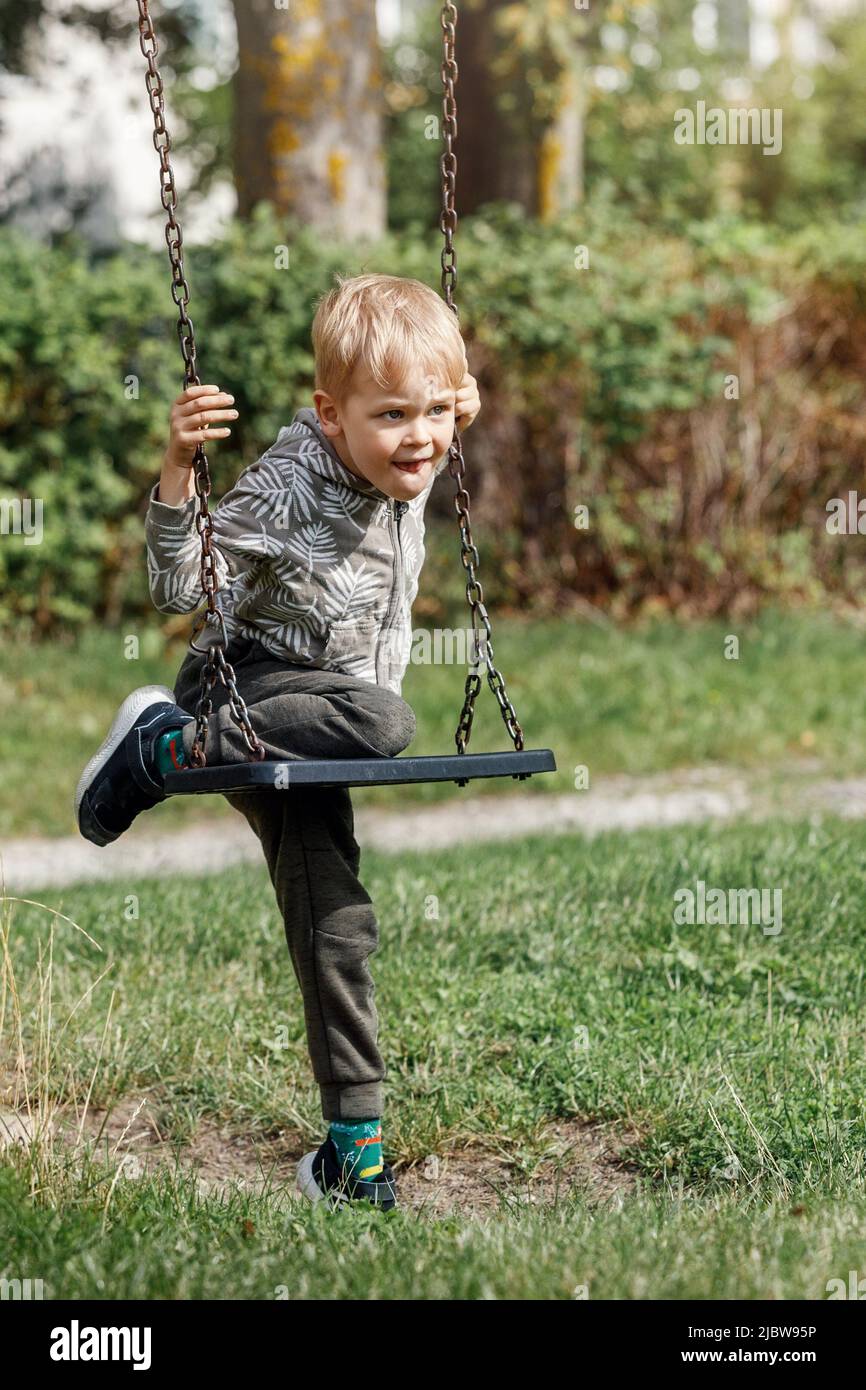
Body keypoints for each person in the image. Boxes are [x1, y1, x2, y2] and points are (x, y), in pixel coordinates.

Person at [73, 272, 481, 1211]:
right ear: (330, 415)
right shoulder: (288, 483)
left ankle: (350, 1155)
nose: (420, 436)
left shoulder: (414, 444)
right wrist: (178, 467)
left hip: (316, 721)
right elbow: (180, 589)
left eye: (435, 412)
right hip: (251, 687)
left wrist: (454, 397)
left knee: (336, 920)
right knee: (385, 723)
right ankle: (172, 740)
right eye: (391, 415)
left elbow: (443, 401)